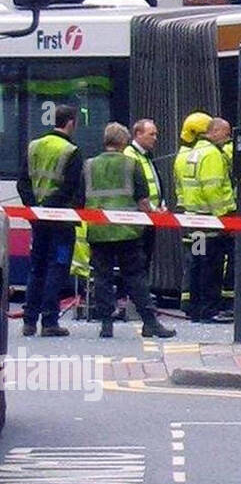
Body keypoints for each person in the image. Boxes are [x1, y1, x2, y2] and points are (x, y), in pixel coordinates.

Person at [83, 123, 175, 339]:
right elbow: (143, 201)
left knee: (103, 277)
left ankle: (106, 324)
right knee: (135, 276)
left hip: (99, 231)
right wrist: (150, 217)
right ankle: (150, 322)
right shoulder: (132, 164)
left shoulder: (88, 165)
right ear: (124, 142)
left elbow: (80, 200)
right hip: (128, 232)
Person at [17, 104, 82, 336]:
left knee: (36, 268)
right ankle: (50, 321)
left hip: (38, 221)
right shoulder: (70, 151)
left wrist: (35, 209)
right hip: (61, 223)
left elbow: (22, 183)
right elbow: (71, 189)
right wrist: (52, 208)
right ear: (71, 123)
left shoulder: (33, 146)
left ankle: (29, 320)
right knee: (58, 267)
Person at [178, 117, 234, 322]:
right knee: (211, 266)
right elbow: (212, 188)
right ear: (215, 131)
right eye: (226, 133)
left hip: (194, 222)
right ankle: (209, 309)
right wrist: (223, 217)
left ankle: (194, 307)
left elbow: (180, 189)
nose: (228, 139)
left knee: (197, 262)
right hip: (210, 223)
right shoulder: (212, 154)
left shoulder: (188, 153)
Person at [174, 110, 212, 317]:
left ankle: (188, 301)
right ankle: (195, 303)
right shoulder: (199, 156)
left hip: (188, 215)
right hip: (201, 219)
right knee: (200, 259)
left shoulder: (181, 155)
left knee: (193, 258)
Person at [124, 118, 164, 269]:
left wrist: (160, 204)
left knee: (145, 260)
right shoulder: (130, 155)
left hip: (150, 216)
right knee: (136, 264)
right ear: (138, 134)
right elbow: (135, 189)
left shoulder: (145, 156)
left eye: (156, 134)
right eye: (151, 134)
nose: (155, 138)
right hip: (139, 218)